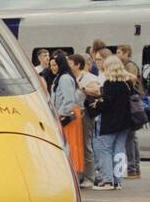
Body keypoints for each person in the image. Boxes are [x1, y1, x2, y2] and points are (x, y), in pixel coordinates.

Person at [92, 56, 133, 190]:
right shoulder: (127, 84)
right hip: (125, 122)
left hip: (110, 122)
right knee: (119, 150)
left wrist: (98, 103)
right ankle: (118, 181)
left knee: (106, 150)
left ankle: (107, 181)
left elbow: (107, 104)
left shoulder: (109, 83)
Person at [69, 53, 102, 186]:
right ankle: (80, 173)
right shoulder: (70, 77)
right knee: (76, 144)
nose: (68, 65)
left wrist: (83, 88)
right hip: (74, 114)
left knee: (86, 144)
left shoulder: (88, 77)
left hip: (85, 114)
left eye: (70, 63)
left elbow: (97, 92)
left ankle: (90, 176)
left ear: (77, 65)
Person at [50, 51, 83, 175]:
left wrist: (58, 115)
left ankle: (70, 173)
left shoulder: (64, 78)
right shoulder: (61, 76)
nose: (52, 68)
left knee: (69, 144)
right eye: (51, 65)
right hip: (66, 113)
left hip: (67, 115)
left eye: (55, 65)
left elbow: (69, 100)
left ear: (61, 64)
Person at [117, 43, 143, 179]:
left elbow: (130, 82)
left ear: (126, 53)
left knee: (129, 137)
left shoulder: (129, 66)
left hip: (131, 104)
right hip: (133, 103)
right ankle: (135, 167)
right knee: (132, 137)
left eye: (119, 52)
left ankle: (133, 168)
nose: (117, 55)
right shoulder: (128, 65)